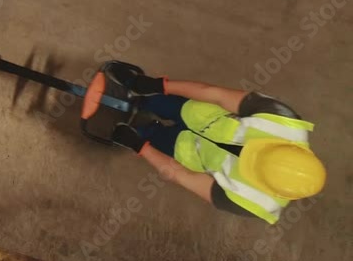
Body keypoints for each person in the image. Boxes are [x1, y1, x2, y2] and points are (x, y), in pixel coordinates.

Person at [104, 62, 326, 224]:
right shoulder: (283, 120)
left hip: (187, 151)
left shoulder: (257, 203)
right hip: (196, 113)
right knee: (156, 100)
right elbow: (214, 94)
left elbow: (184, 176)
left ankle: (143, 130)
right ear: (293, 147)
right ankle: (141, 94)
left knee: (149, 134)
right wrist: (157, 85)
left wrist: (140, 146)